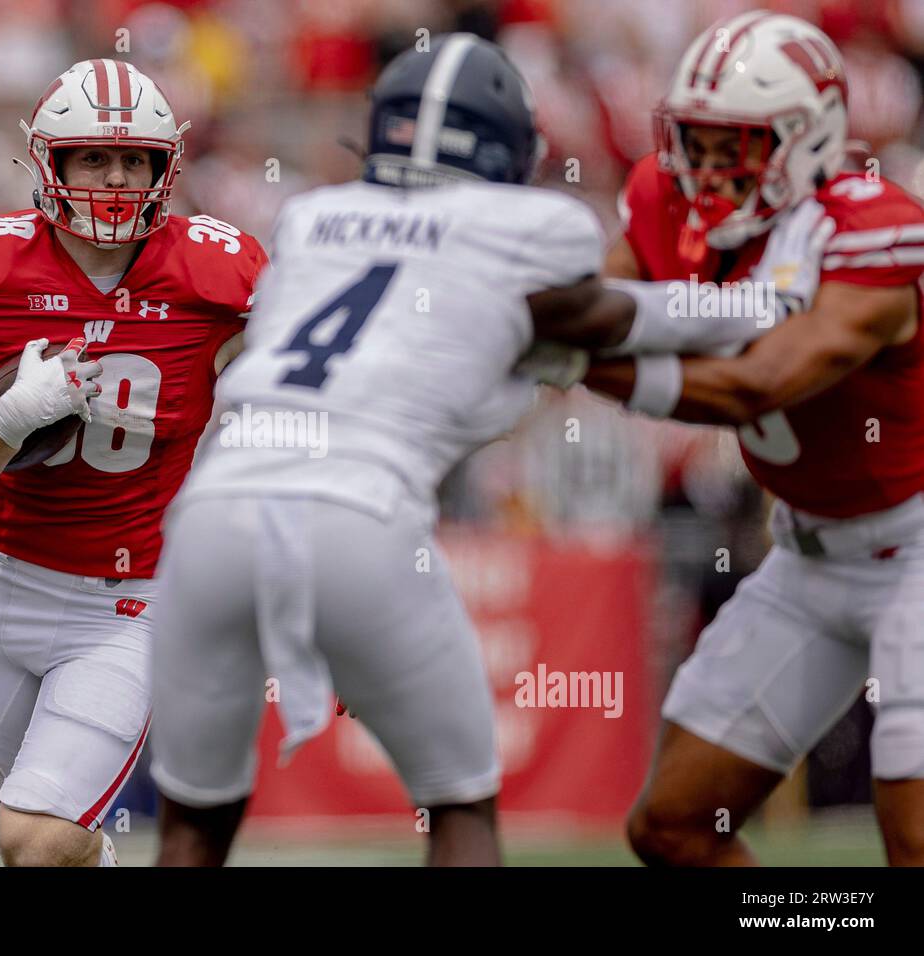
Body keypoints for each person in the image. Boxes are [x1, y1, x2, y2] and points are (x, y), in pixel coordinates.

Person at [147, 33, 677, 866]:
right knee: (460, 804)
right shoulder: (528, 226)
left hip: (213, 510)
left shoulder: (314, 217)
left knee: (191, 826)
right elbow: (595, 318)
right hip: (360, 513)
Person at [0, 58, 266, 867]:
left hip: (125, 605)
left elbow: (309, 405)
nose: (117, 177)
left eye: (136, 159)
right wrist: (14, 417)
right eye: (94, 156)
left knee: (40, 839)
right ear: (48, 161)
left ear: (167, 168)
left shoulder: (220, 273)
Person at [580, 11, 924, 866]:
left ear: (807, 142)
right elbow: (596, 311)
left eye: (729, 145)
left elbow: (759, 384)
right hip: (808, 556)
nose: (700, 169)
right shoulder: (664, 204)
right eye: (690, 140)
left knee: (912, 842)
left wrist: (576, 363)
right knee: (673, 828)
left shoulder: (871, 227)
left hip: (916, 548)